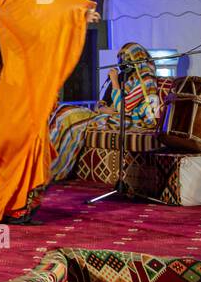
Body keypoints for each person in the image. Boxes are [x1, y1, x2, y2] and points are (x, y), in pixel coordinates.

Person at [0, 0, 98, 225]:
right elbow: (46, 22)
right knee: (23, 146)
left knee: (29, 146)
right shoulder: (9, 11)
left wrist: (78, 15)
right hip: (15, 93)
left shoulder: (6, 10)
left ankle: (20, 207)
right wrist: (77, 14)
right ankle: (16, 208)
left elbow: (43, 22)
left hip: (14, 90)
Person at [47, 41, 163, 181]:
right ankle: (42, 161)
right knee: (64, 111)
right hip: (113, 114)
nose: (122, 63)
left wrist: (114, 82)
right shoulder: (126, 79)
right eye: (120, 59)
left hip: (133, 121)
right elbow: (104, 102)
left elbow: (124, 108)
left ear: (136, 58)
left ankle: (54, 169)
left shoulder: (146, 81)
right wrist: (104, 108)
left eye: (126, 58)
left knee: (73, 120)